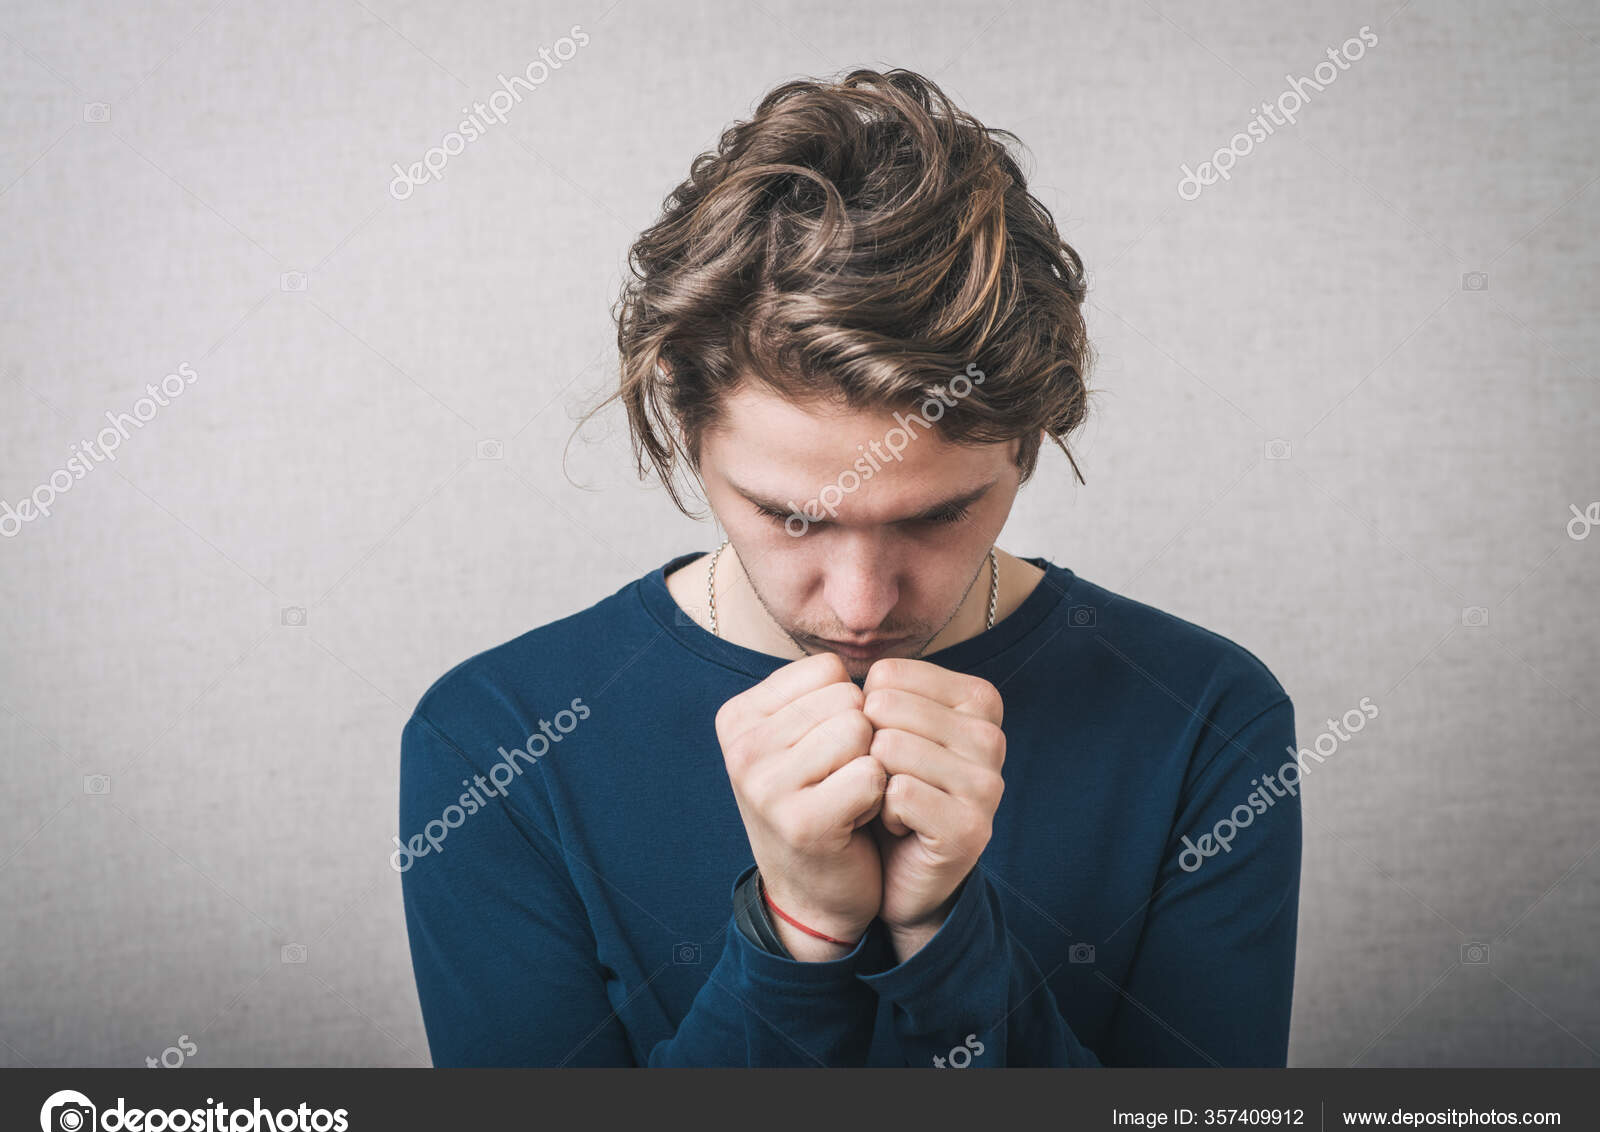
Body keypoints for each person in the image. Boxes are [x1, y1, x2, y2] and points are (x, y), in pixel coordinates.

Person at [398, 67, 1300, 1067]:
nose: (863, 605)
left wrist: (947, 942)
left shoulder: (1204, 715)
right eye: (790, 517)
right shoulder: (492, 742)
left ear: (1029, 442)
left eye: (940, 514)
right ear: (682, 423)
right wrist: (797, 933)